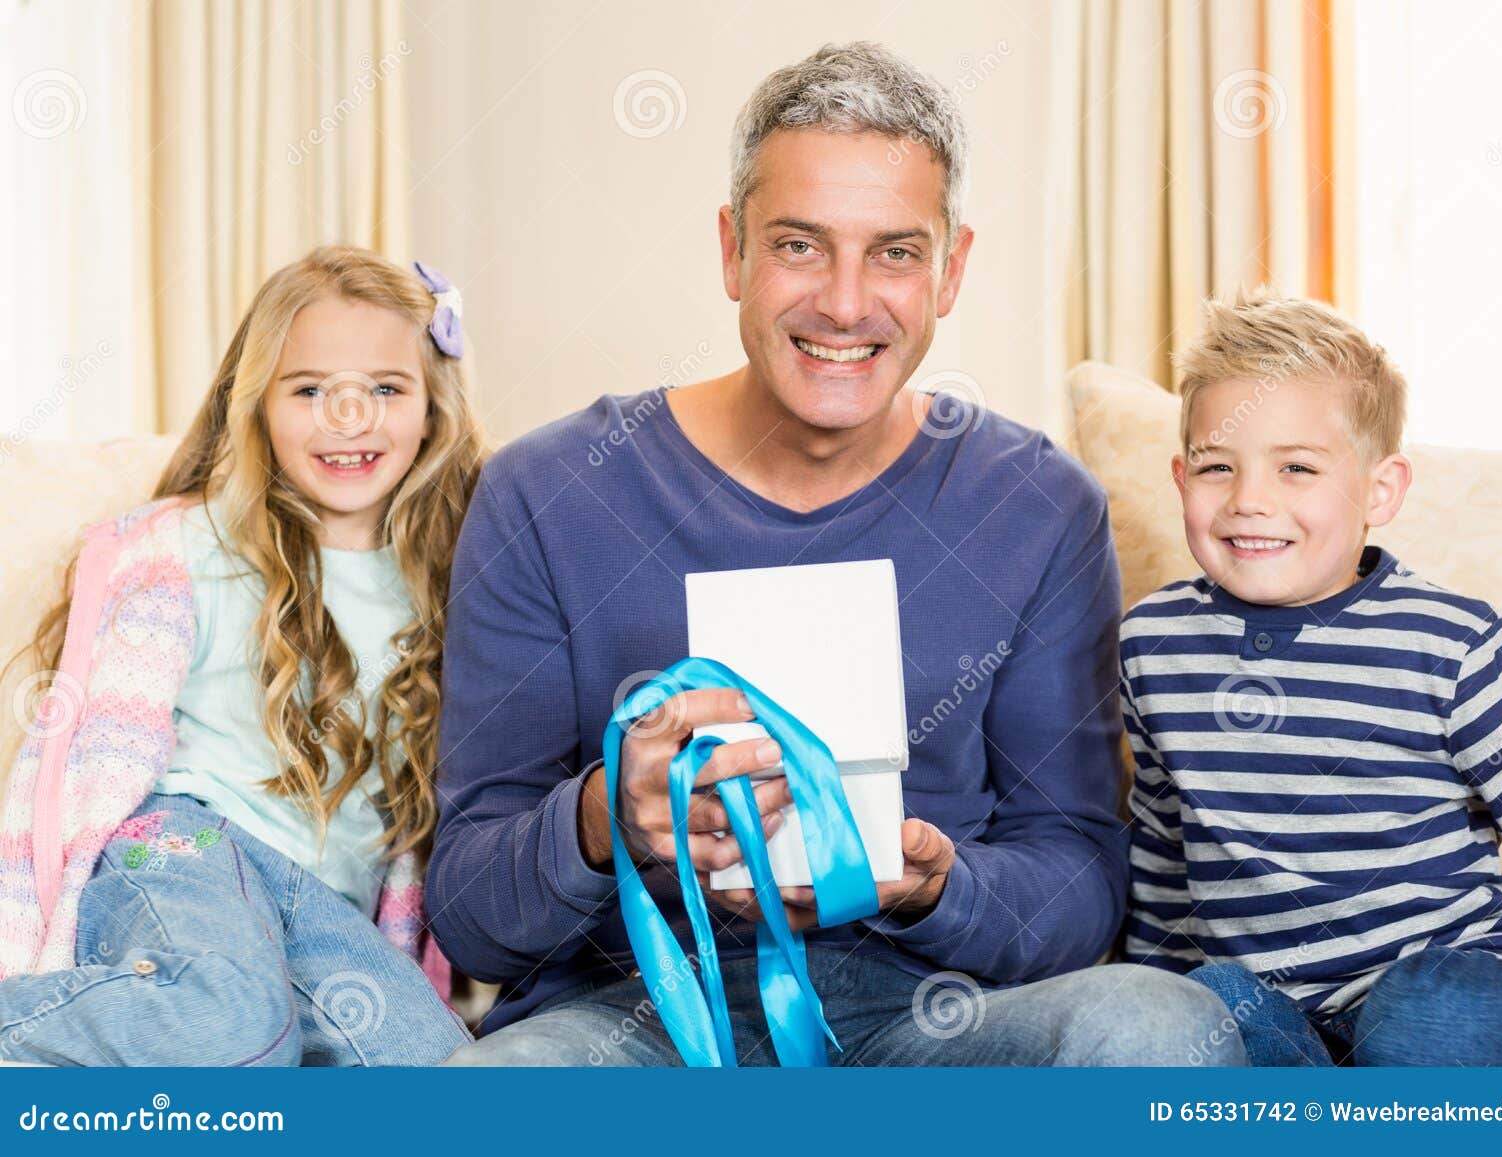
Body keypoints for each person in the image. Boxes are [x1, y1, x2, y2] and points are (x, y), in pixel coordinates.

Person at [434, 42, 1240, 1067]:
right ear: (732, 251)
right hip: (632, 1008)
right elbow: (470, 912)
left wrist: (937, 885)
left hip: (930, 1015)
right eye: (800, 246)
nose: (847, 303)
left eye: (895, 251)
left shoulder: (1036, 505)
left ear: (951, 269)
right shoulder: (548, 490)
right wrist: (606, 819)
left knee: (1161, 1028)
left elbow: (1078, 884)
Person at [0, 246, 490, 1066]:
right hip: (183, 844)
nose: (348, 416)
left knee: (434, 1072)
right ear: (258, 403)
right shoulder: (186, 545)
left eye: (384, 387)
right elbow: (84, 769)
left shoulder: (453, 573)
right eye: (308, 389)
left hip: (321, 906)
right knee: (227, 1018)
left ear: (432, 406)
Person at [1122, 285, 1502, 1065]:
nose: (1249, 501)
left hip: (1453, 985)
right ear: (1181, 479)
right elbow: (1164, 847)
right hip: (1288, 1018)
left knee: (1416, 1013)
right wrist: (1152, 997)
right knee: (1206, 1003)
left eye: (1297, 469)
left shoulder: (1449, 642)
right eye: (1217, 467)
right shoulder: (1153, 642)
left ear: (1380, 490)